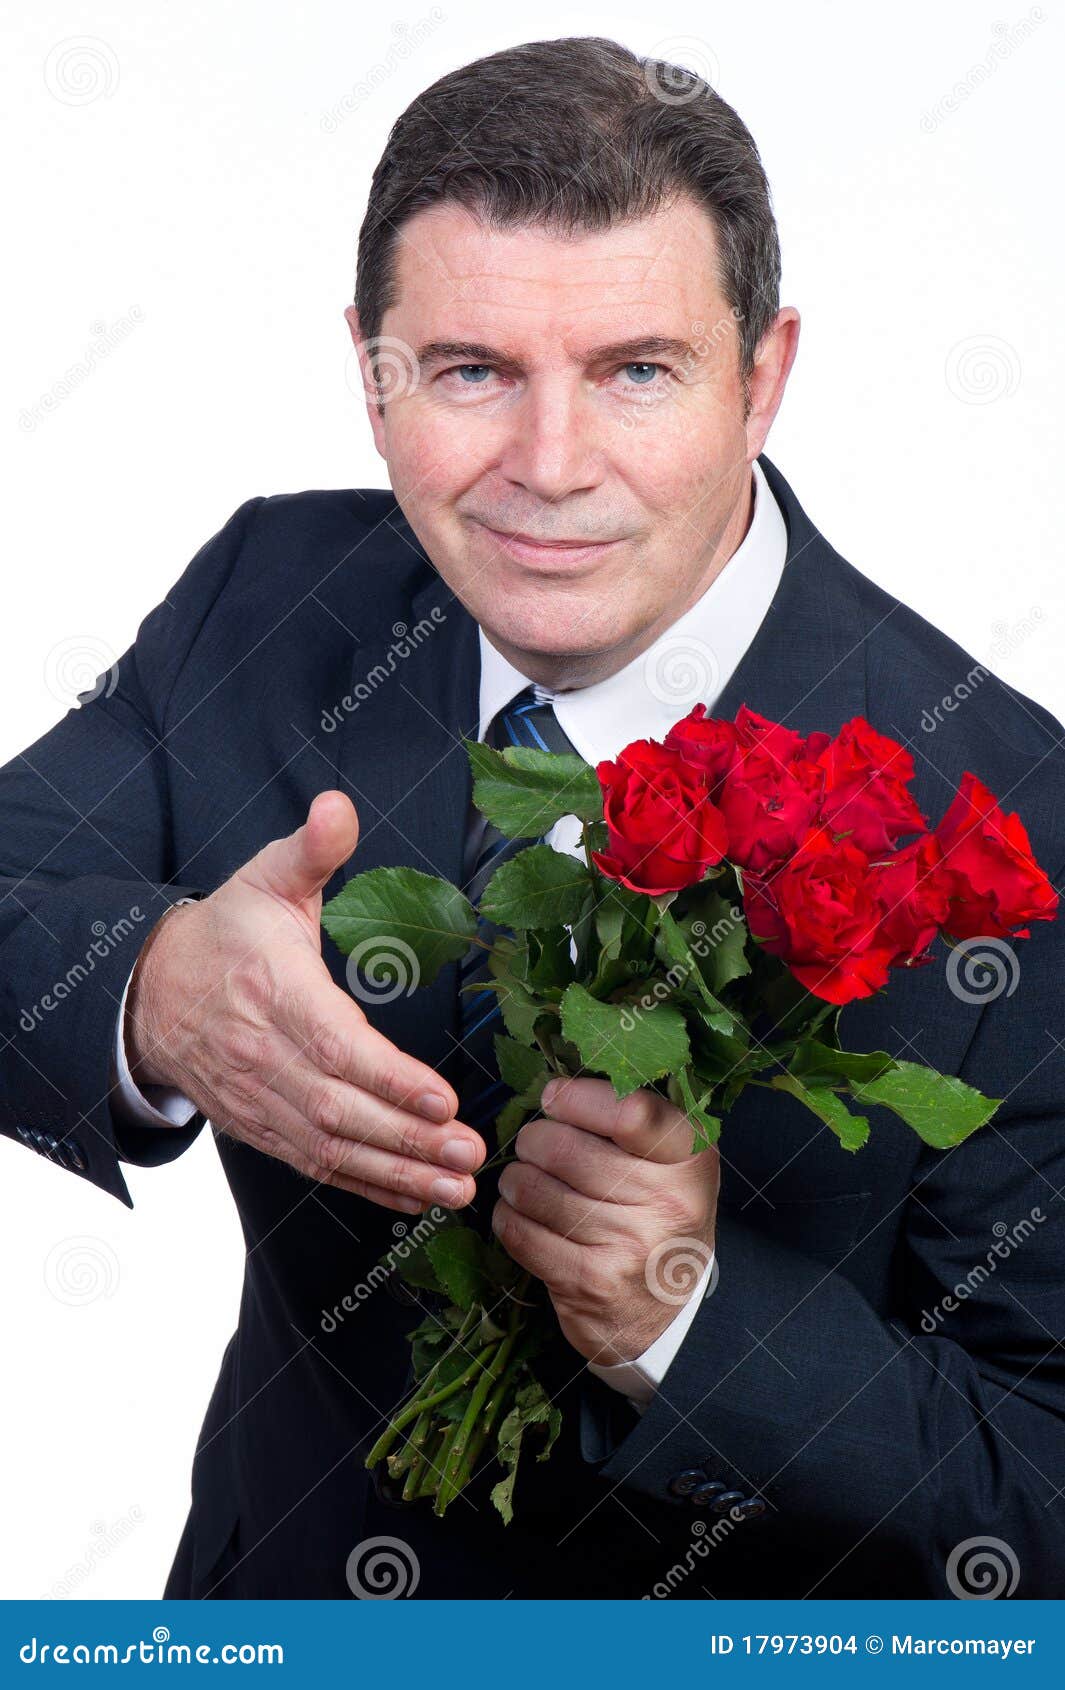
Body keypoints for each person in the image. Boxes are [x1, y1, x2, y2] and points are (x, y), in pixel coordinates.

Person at [2, 36, 1062, 1600]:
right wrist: (152, 991)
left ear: (762, 378)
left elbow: (1034, 1486)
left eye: (637, 370)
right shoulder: (264, 597)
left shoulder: (1009, 818)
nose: (547, 469)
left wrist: (691, 1321)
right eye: (469, 371)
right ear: (369, 370)